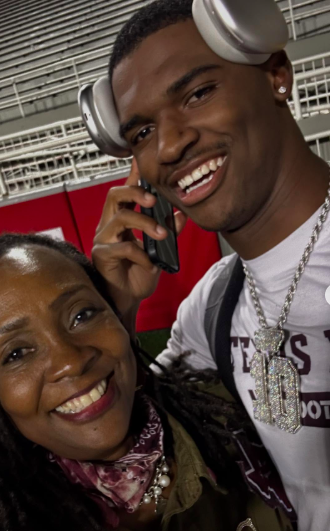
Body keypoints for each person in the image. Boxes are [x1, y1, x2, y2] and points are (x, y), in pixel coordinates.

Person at [91, 1, 330, 531]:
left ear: (276, 74)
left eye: (198, 94)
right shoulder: (212, 307)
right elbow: (133, 444)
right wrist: (116, 308)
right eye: (141, 133)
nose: (169, 145)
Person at [0, 232, 291, 531]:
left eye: (82, 315)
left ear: (117, 317)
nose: (71, 361)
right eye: (16, 353)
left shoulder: (236, 418)